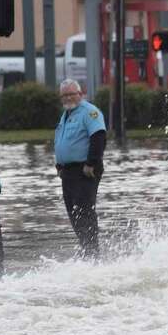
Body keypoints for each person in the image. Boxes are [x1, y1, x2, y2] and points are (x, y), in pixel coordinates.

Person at [54, 79, 106, 258]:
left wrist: (91, 163)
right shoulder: (66, 115)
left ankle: (93, 252)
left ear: (80, 94)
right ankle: (87, 249)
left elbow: (99, 137)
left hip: (85, 170)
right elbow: (63, 141)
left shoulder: (89, 112)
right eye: (64, 95)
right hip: (68, 172)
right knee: (73, 212)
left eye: (71, 94)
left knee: (84, 210)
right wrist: (59, 165)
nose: (68, 98)